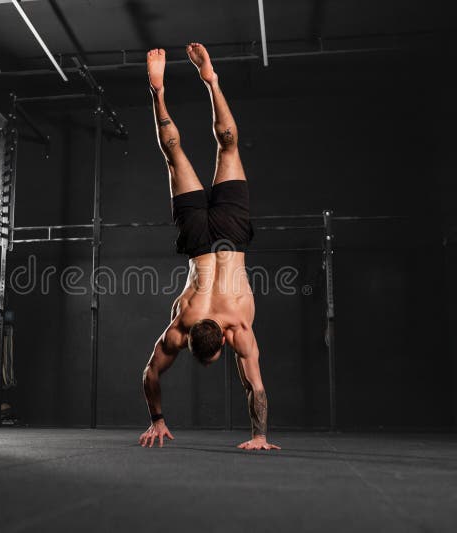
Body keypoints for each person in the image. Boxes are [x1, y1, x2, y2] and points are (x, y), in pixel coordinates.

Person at [139, 44, 280, 451]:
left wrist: (260, 436)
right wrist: (158, 419)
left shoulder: (236, 327)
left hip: (229, 237)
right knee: (177, 154)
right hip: (201, 240)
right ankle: (164, 91)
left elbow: (255, 385)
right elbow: (149, 373)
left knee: (228, 146)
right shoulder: (184, 321)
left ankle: (202, 82)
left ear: (221, 340)